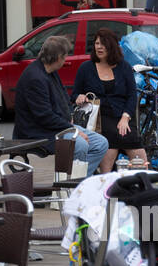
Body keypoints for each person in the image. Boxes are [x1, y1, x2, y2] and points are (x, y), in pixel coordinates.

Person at [13, 34, 108, 175]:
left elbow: (64, 97)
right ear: (58, 58)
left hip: (57, 126)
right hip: (38, 131)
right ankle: (71, 186)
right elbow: (44, 116)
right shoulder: (35, 78)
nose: (66, 59)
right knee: (79, 144)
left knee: (101, 143)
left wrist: (70, 117)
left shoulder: (50, 72)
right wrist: (72, 129)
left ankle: (76, 180)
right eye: (65, 56)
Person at [71, 28, 147, 173]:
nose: (99, 47)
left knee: (137, 151)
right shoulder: (86, 68)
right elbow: (74, 94)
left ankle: (144, 185)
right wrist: (78, 97)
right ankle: (107, 184)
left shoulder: (124, 67)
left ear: (111, 46)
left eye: (103, 44)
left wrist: (125, 117)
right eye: (97, 43)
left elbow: (132, 96)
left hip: (123, 116)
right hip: (99, 119)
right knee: (110, 140)